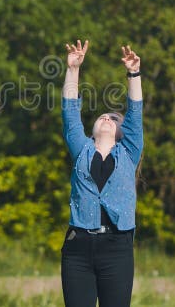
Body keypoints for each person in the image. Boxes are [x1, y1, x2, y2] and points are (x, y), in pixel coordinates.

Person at [60, 39, 143, 307]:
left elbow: (135, 113)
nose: (107, 118)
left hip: (117, 249)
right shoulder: (81, 148)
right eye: (102, 117)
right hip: (77, 249)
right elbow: (70, 112)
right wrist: (73, 69)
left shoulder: (128, 153)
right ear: (93, 128)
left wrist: (133, 74)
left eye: (113, 118)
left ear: (122, 133)